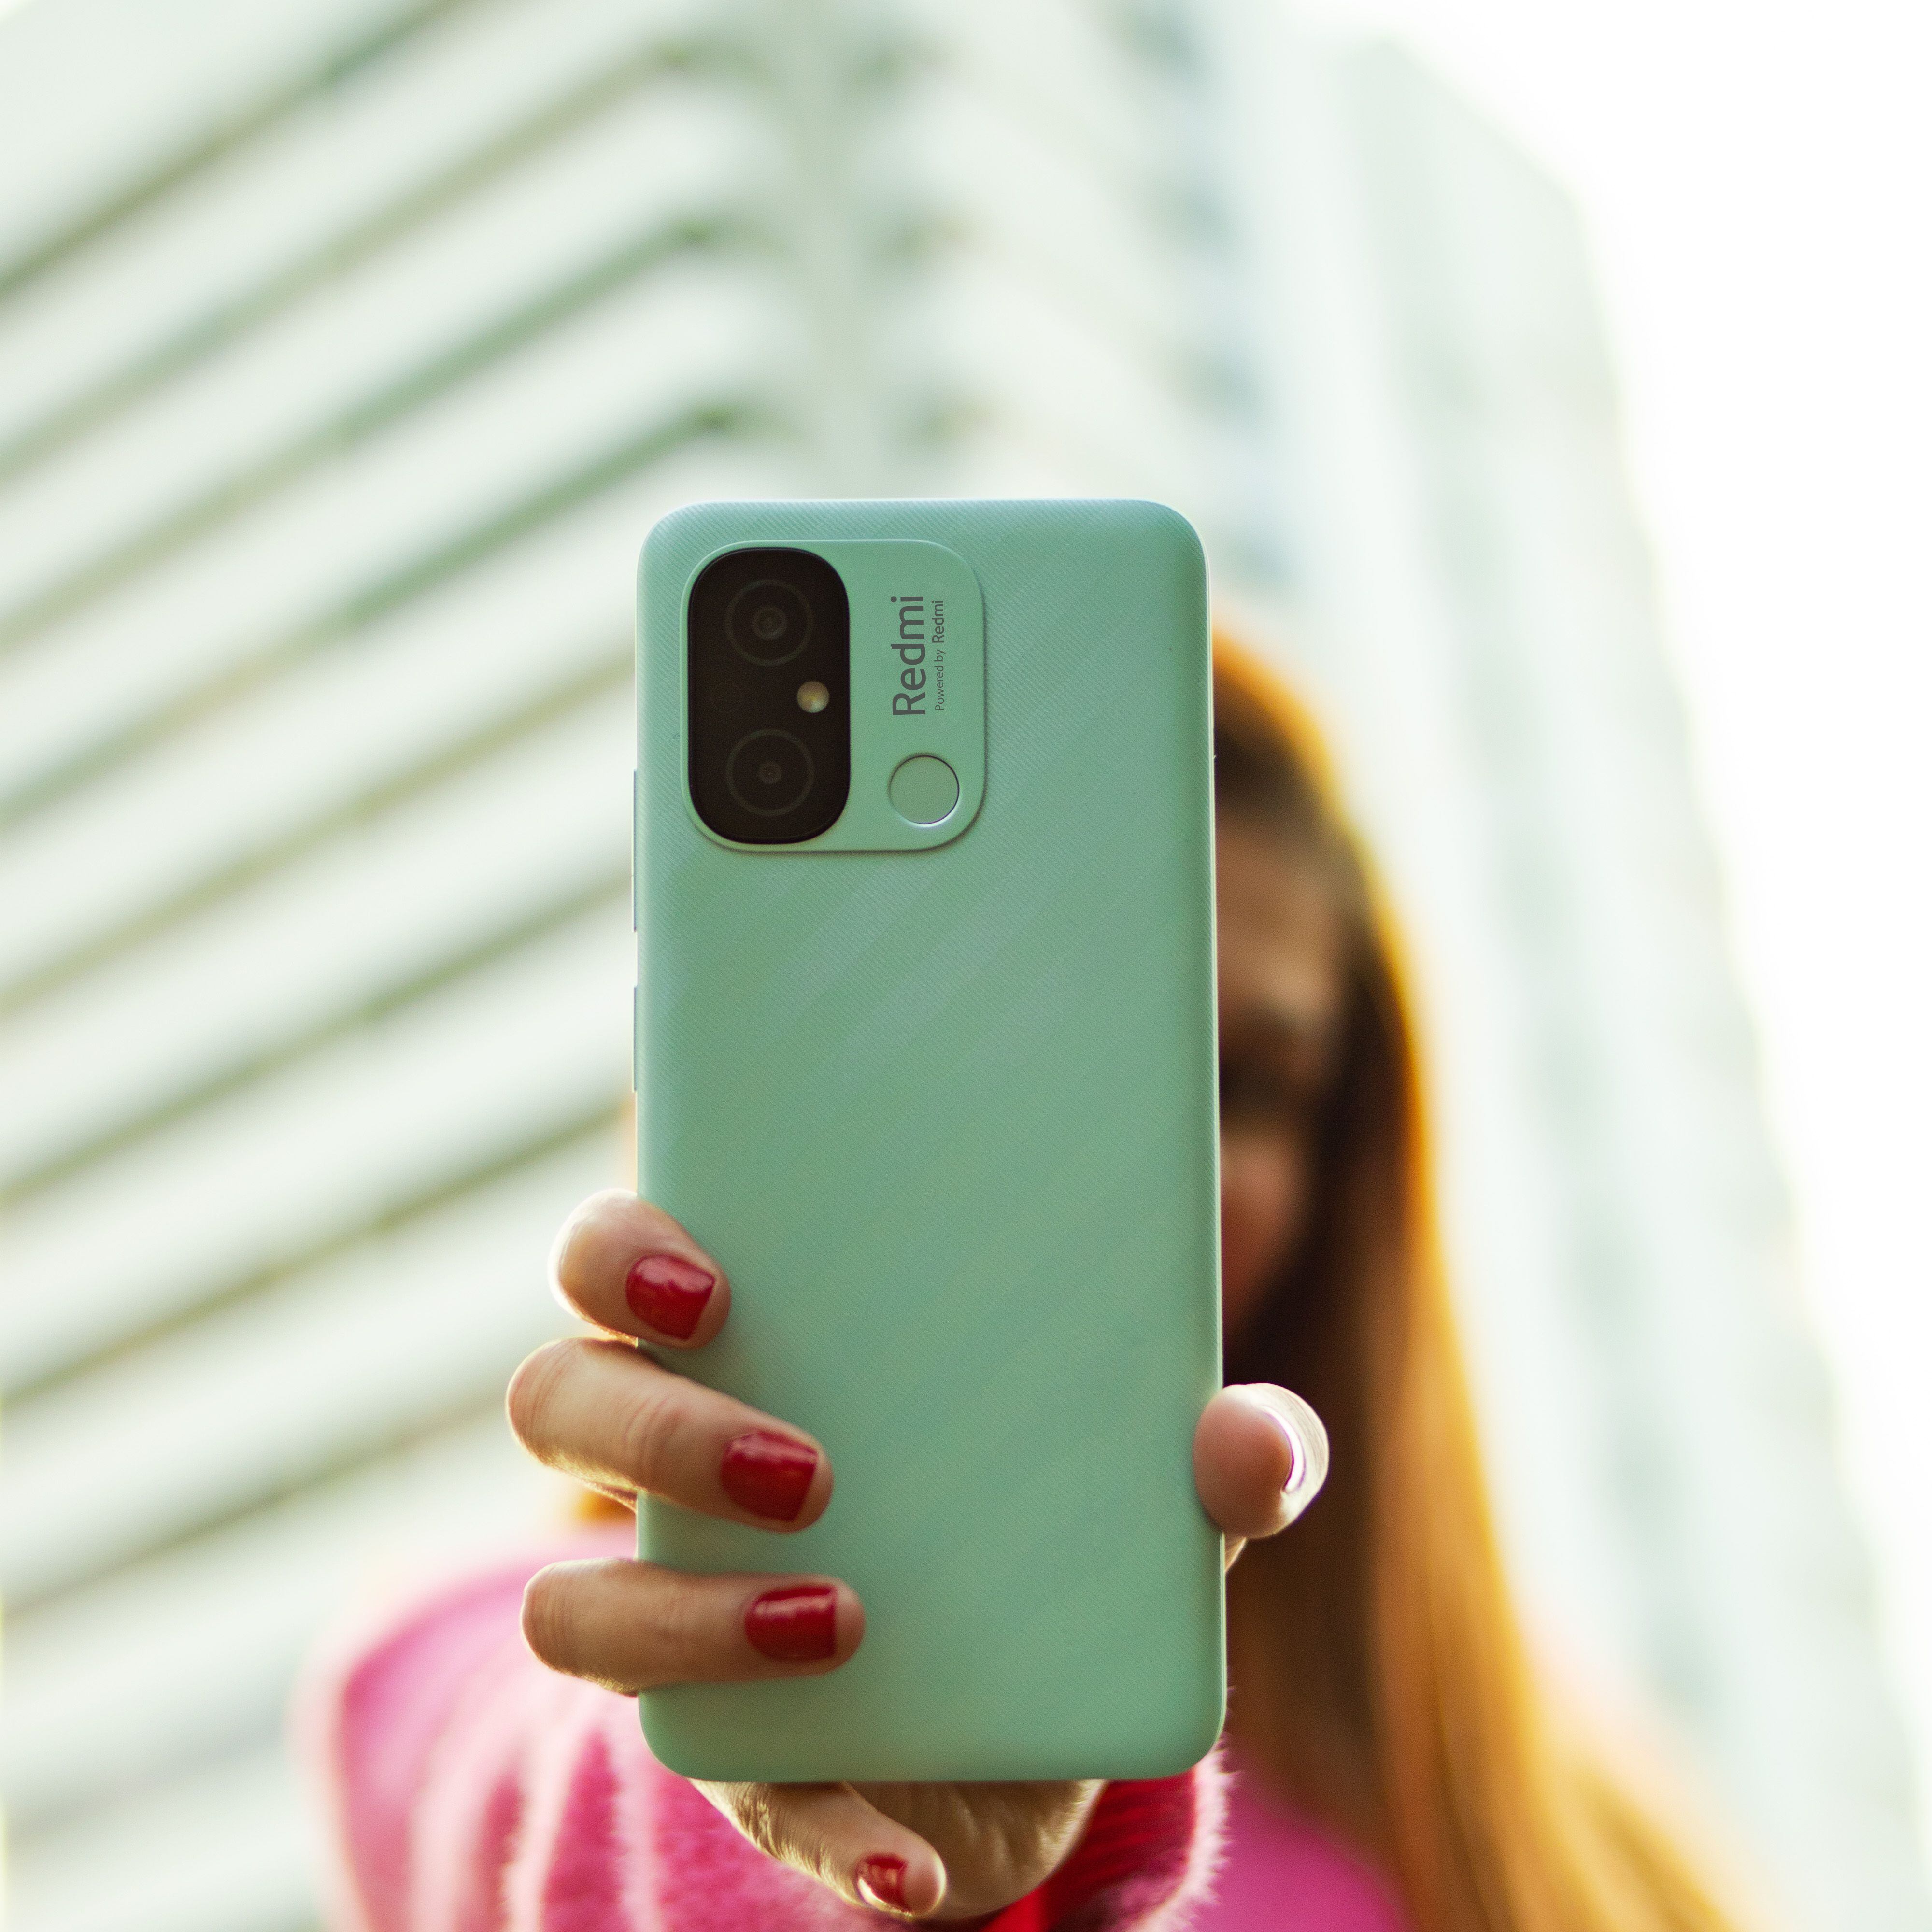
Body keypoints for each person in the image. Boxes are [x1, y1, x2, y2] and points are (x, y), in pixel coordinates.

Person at [303, 639, 1747, 1930]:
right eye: (1058, 1046)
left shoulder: (1599, 1853)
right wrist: (795, 1800)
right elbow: (537, 1817)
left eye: (1242, 1085)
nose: (1145, 1164)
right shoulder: (438, 1685)